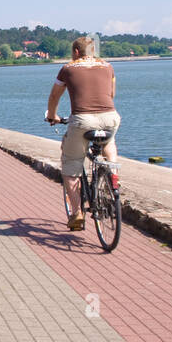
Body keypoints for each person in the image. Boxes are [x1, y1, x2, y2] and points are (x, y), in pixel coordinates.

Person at [46, 36, 120, 230]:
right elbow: (111, 94)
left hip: (82, 119)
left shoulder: (68, 68)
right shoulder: (108, 66)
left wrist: (52, 115)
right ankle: (112, 174)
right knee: (109, 143)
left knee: (71, 165)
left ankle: (77, 213)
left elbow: (55, 95)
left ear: (76, 52)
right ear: (93, 51)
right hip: (110, 116)